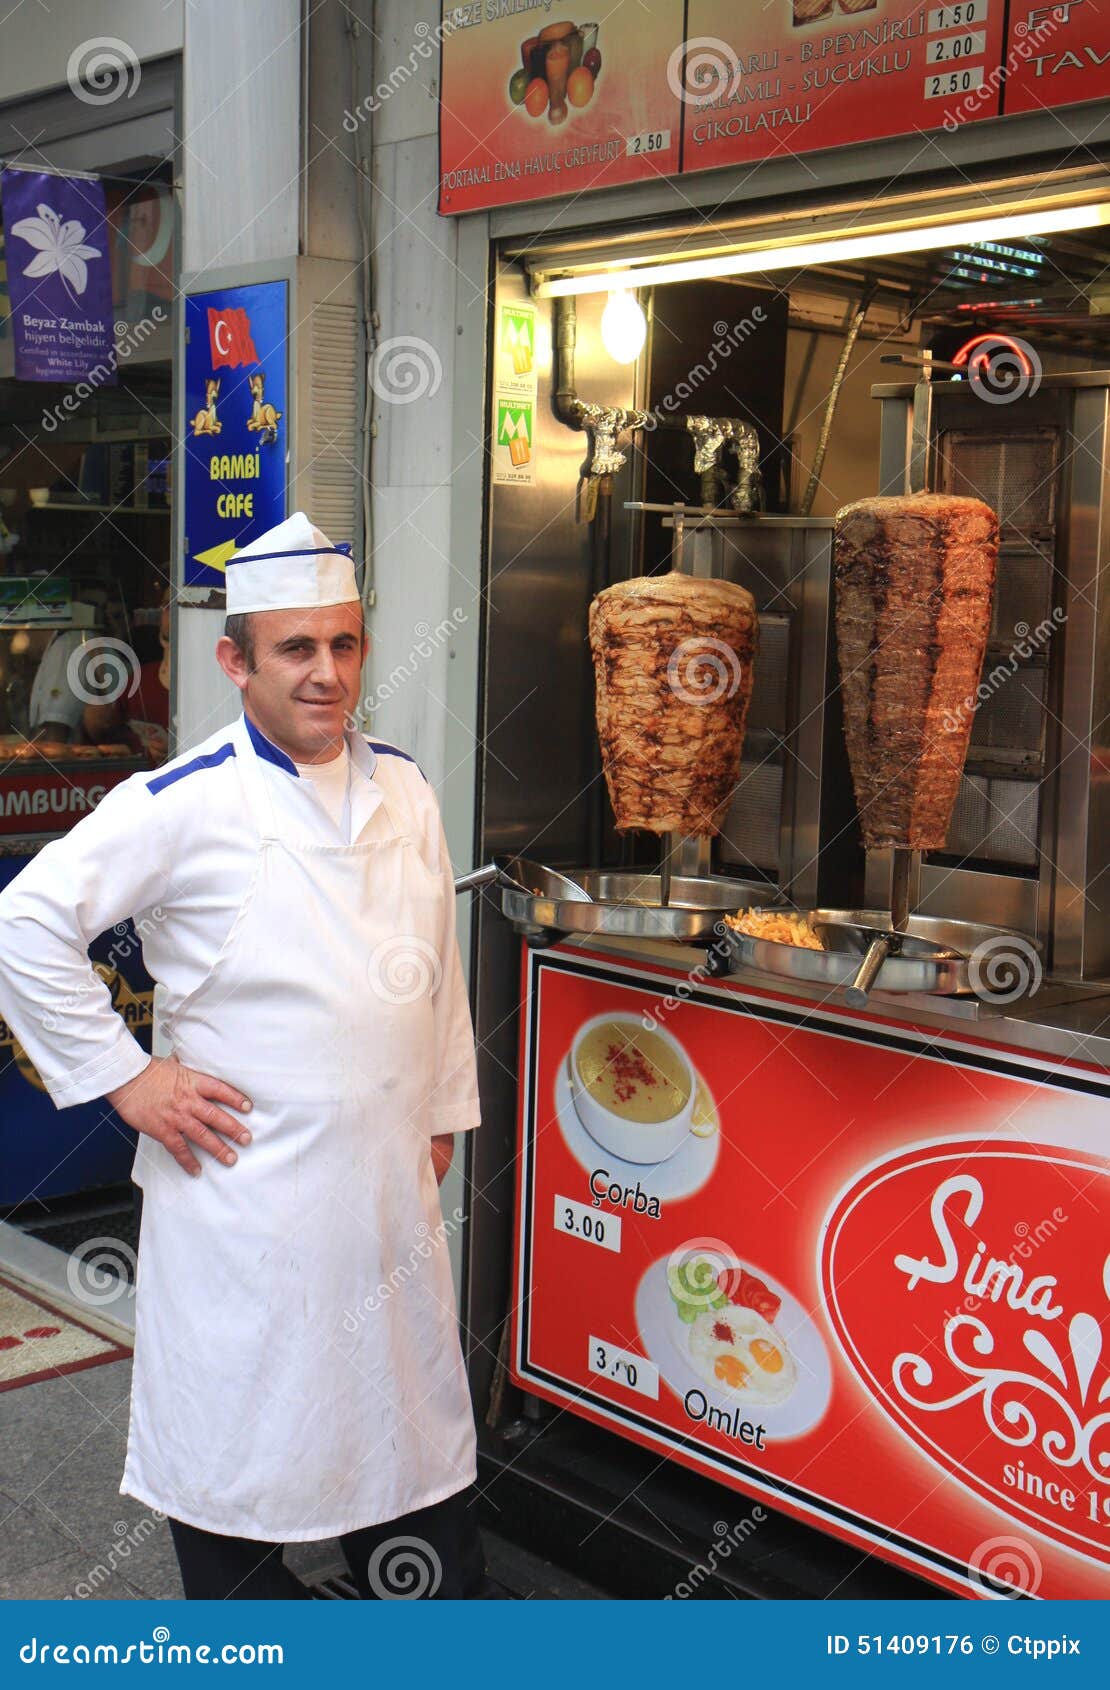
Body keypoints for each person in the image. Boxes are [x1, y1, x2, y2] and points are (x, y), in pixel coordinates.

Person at [0, 513, 486, 1599]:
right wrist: (128, 1078)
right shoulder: (181, 802)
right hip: (246, 1213)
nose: (326, 673)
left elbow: (435, 961)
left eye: (345, 644)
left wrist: (444, 1109)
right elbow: (24, 924)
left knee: (406, 1451)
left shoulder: (404, 788)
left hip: (383, 1206)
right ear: (236, 660)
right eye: (296, 649)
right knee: (244, 1467)